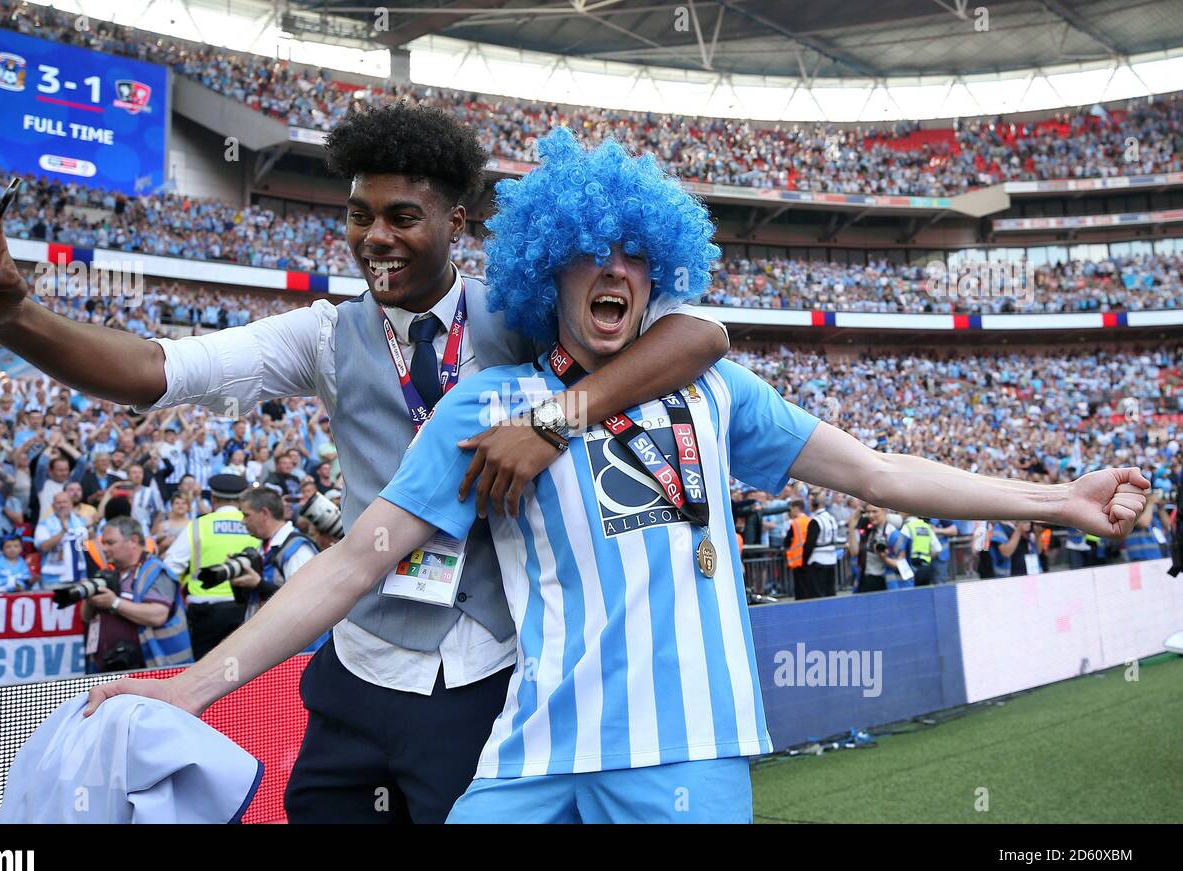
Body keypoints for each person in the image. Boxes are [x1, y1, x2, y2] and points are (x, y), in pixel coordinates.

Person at [83, 127, 1149, 824]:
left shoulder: (716, 395)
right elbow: (359, 558)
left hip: (680, 749)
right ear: (552, 275)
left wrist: (1056, 500)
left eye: (632, 254)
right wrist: (194, 684)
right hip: (530, 745)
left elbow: (879, 474)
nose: (612, 271)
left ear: (657, 268)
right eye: (587, 256)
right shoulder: (481, 408)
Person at [0, 104, 729, 824]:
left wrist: (556, 417)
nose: (375, 236)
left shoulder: (523, 321)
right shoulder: (324, 336)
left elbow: (697, 336)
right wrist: (19, 319)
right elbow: (153, 370)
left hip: (488, 673)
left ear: (458, 219)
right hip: (357, 666)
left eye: (402, 215)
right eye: (358, 214)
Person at [161, 474, 259, 659]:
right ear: (241, 499)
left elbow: (171, 566)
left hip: (205, 612)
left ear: (213, 498)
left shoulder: (199, 525)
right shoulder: (253, 523)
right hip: (246, 608)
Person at [81, 516, 195, 673]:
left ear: (133, 541)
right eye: (103, 543)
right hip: (109, 669)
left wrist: (114, 603)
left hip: (155, 672)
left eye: (110, 543)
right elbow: (86, 617)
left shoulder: (156, 571)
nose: (104, 549)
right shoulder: (108, 573)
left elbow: (157, 615)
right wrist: (89, 598)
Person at [234, 486, 322, 641]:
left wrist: (259, 584)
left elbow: (306, 603)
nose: (243, 521)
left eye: (246, 515)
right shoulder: (263, 547)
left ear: (264, 514)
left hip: (295, 648)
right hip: (269, 641)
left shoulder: (297, 549)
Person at [33, 490, 89, 587]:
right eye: (58, 502)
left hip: (79, 577)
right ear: (53, 505)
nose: (62, 505)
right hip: (53, 580)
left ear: (71, 504)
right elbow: (43, 547)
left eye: (65, 502)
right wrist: (62, 532)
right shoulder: (44, 525)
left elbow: (88, 546)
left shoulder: (81, 521)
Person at [807, 492, 840, 597]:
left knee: (818, 595)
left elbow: (810, 543)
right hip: (831, 559)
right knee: (830, 593)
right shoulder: (831, 518)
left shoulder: (816, 520)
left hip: (817, 559)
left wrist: (804, 561)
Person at [783, 499, 816, 600]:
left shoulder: (795, 522)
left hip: (798, 558)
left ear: (796, 508)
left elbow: (787, 541)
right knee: (809, 586)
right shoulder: (810, 520)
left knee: (800, 589)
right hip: (810, 556)